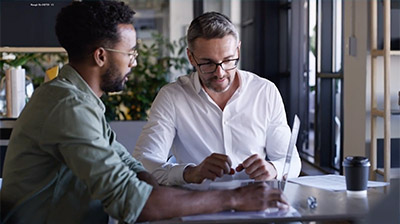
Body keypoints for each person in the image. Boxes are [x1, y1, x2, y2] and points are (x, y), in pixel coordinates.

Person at [0, 1, 289, 223]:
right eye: (131, 54)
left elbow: (133, 168)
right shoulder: (68, 106)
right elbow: (134, 204)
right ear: (101, 56)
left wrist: (166, 185)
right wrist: (234, 198)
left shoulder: (81, 101)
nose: (134, 64)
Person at [133, 12, 301, 186]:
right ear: (191, 57)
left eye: (228, 60)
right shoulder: (172, 97)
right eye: (208, 63)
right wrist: (190, 173)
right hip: (198, 207)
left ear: (238, 50)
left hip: (256, 203)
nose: (220, 73)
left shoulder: (265, 91)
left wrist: (273, 169)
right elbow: (143, 164)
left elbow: (291, 162)